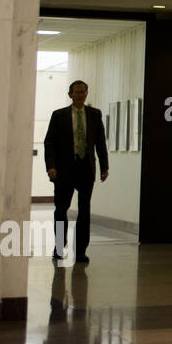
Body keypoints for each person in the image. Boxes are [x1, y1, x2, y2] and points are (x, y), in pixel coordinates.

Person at [43, 80, 108, 264]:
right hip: (64, 170)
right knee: (61, 209)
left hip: (86, 168)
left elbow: (100, 142)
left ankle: (80, 251)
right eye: (76, 92)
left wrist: (104, 166)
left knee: (84, 210)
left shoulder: (95, 114)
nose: (80, 95)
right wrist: (51, 166)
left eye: (83, 92)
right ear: (70, 94)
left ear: (87, 94)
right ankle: (58, 246)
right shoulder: (59, 115)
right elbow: (50, 143)